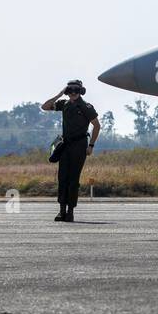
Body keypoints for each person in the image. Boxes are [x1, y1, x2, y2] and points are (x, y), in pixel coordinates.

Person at [41, 80, 100, 222]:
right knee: (62, 178)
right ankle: (61, 210)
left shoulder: (86, 106)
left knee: (73, 179)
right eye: (70, 90)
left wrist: (91, 145)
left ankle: (70, 211)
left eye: (76, 90)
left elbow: (96, 126)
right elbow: (45, 106)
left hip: (79, 145)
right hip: (65, 145)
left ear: (81, 91)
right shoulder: (64, 104)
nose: (73, 93)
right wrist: (60, 93)